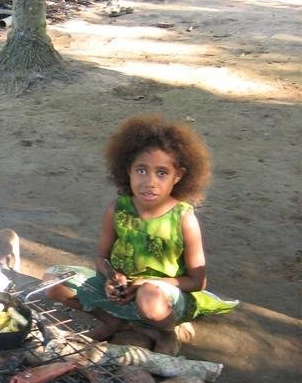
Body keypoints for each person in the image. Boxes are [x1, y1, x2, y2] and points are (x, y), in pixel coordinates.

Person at [46, 114, 238, 355]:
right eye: (141, 170)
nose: (150, 182)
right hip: (122, 294)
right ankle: (112, 321)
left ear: (178, 176)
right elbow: (101, 258)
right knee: (53, 279)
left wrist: (147, 283)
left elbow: (198, 282)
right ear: (128, 171)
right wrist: (110, 278)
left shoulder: (183, 218)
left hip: (165, 298)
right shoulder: (117, 209)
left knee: (148, 296)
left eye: (161, 173)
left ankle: (166, 332)